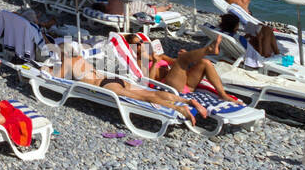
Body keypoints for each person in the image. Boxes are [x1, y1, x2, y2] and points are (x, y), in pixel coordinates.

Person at [53, 50, 208, 123]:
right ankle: (186, 101)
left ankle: (179, 109)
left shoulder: (69, 62)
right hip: (114, 78)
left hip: (105, 85)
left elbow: (54, 77)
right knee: (147, 92)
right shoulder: (81, 58)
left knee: (145, 97)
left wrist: (47, 69)